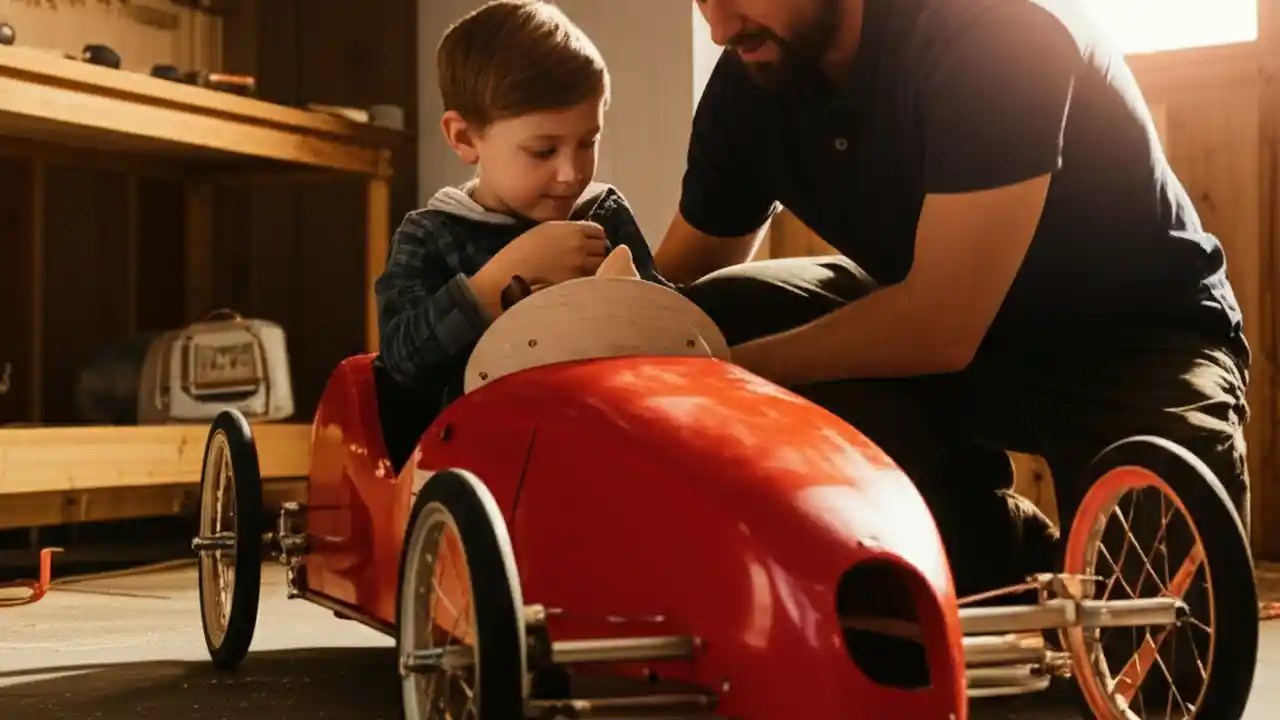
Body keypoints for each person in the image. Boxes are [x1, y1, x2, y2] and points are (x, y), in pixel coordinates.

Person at [661, 0, 1252, 598]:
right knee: (717, 312)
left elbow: (939, 325)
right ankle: (992, 547)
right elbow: (666, 294)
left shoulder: (995, 30)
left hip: (1134, 347)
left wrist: (730, 371)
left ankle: (1045, 576)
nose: (719, 27)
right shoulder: (753, 77)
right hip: (954, 357)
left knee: (1155, 660)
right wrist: (574, 281)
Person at [373, 0, 670, 467]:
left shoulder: (603, 213)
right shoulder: (430, 234)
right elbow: (402, 362)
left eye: (587, 142)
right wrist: (496, 284)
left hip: (602, 444)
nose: (571, 173)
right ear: (465, 138)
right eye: (543, 150)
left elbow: (672, 340)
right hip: (474, 462)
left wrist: (635, 299)